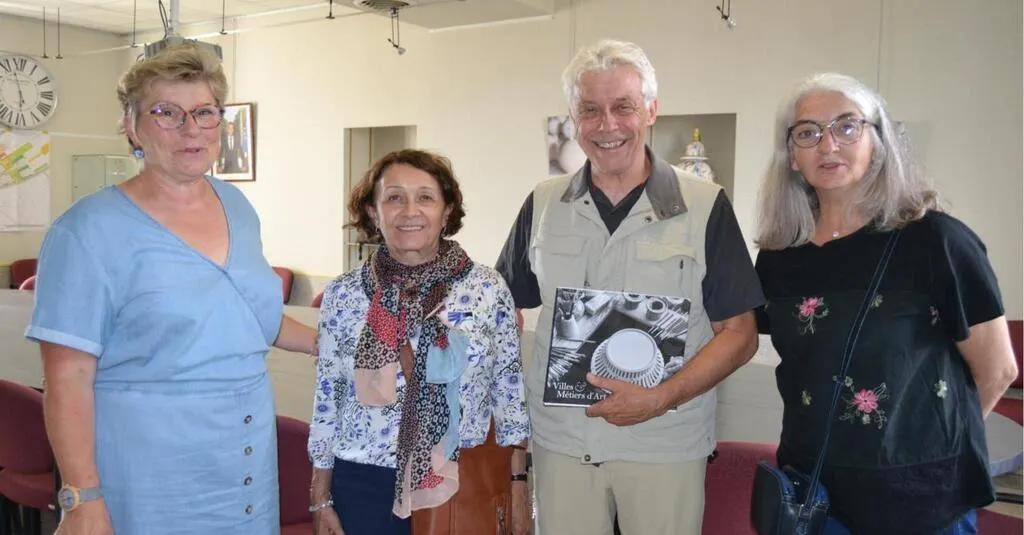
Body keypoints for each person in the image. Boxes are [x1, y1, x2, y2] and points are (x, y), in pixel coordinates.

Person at [25, 43, 317, 534]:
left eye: (204, 112)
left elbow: (254, 316)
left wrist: (336, 342)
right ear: (131, 125)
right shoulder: (87, 231)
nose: (190, 128)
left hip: (246, 461)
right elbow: (68, 376)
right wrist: (81, 496)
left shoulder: (237, 206)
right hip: (150, 468)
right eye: (167, 112)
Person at [496, 39, 764, 535]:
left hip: (664, 443)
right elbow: (503, 310)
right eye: (590, 110)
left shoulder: (705, 206)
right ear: (574, 119)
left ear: (651, 111)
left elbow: (740, 334)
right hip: (562, 445)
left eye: (623, 107)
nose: (607, 124)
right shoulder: (544, 204)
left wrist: (661, 396)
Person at [754, 72, 1019, 534]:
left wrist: (924, 447)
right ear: (792, 156)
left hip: (920, 500)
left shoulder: (936, 241)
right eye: (807, 133)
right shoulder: (780, 256)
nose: (828, 145)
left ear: (877, 142)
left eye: (847, 126)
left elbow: (998, 370)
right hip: (815, 493)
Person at [308, 149, 531, 535]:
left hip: (461, 479)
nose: (409, 211)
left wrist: (518, 487)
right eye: (394, 197)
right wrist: (319, 495)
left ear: (447, 211)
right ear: (374, 212)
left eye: (425, 197)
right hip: (362, 483)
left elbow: (510, 398)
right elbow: (328, 398)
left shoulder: (486, 289)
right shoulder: (344, 295)